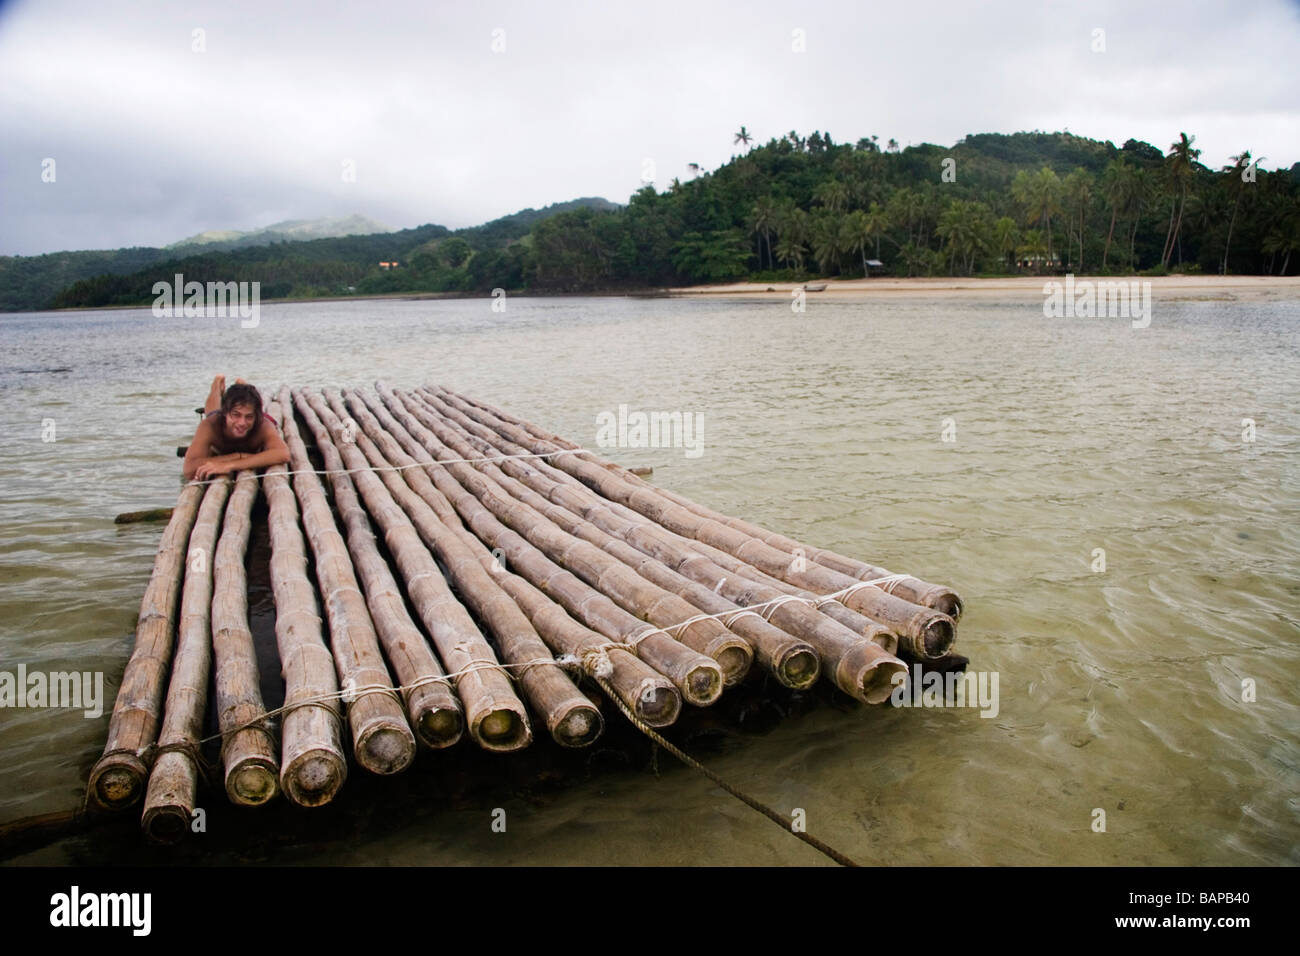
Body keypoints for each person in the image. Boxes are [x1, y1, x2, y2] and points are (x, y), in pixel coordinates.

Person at [182, 376, 291, 480]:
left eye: (249, 417)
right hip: (219, 418)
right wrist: (238, 456)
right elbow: (189, 469)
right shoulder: (210, 425)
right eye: (236, 415)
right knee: (212, 413)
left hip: (248, 419)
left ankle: (241, 386)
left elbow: (283, 454)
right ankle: (216, 386)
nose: (242, 423)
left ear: (255, 416)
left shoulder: (262, 424)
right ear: (225, 413)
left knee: (247, 402)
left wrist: (230, 465)